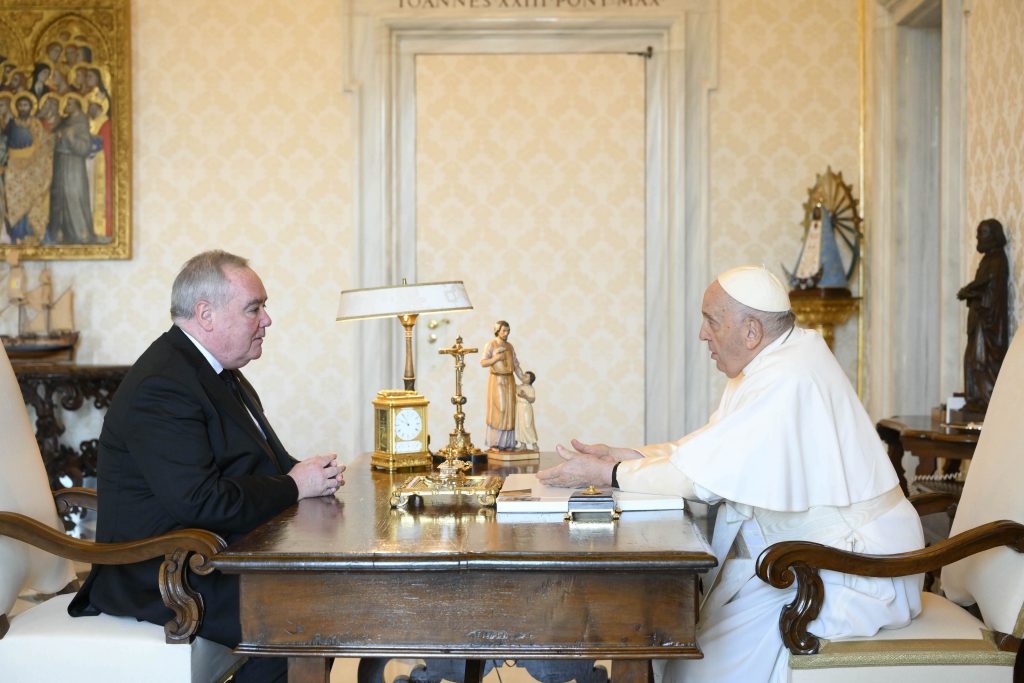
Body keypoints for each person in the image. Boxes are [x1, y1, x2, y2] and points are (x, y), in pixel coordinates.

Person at [538, 265, 924, 683]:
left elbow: (702, 479)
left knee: (699, 664)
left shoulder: (787, 377)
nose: (703, 334)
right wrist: (626, 456)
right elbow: (707, 450)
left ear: (752, 331)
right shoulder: (774, 360)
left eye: (711, 322)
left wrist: (611, 472)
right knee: (674, 638)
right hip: (806, 557)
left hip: (853, 570)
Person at [68, 250, 344, 683]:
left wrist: (314, 476)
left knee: (324, 594)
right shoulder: (162, 384)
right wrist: (293, 486)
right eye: (255, 308)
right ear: (206, 314)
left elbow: (265, 464)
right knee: (297, 616)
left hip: (209, 552)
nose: (267, 319)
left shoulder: (218, 371)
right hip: (160, 571)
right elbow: (199, 501)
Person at [957, 218, 1009, 413]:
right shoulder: (987, 259)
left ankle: (985, 399)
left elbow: (991, 290)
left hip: (988, 323)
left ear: (994, 236)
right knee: (971, 360)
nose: (978, 237)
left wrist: (969, 292)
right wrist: (969, 291)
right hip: (979, 321)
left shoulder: (997, 261)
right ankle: (975, 399)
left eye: (983, 233)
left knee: (981, 361)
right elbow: (981, 284)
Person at [480, 320, 526, 450]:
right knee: (499, 409)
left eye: (508, 331)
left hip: (509, 380)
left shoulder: (510, 346)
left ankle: (507, 443)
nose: (506, 333)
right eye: (504, 331)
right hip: (497, 380)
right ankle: (495, 442)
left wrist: (522, 378)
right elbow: (483, 362)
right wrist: (496, 359)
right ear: (497, 331)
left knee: (510, 410)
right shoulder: (491, 344)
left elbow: (516, 364)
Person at [515, 370, 538, 451]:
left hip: (526, 408)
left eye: (526, 376)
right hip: (519, 408)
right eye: (524, 375)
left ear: (530, 380)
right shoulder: (519, 386)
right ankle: (523, 444)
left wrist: (525, 396)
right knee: (520, 426)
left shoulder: (530, 388)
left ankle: (534, 444)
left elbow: (532, 399)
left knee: (528, 426)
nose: (524, 376)